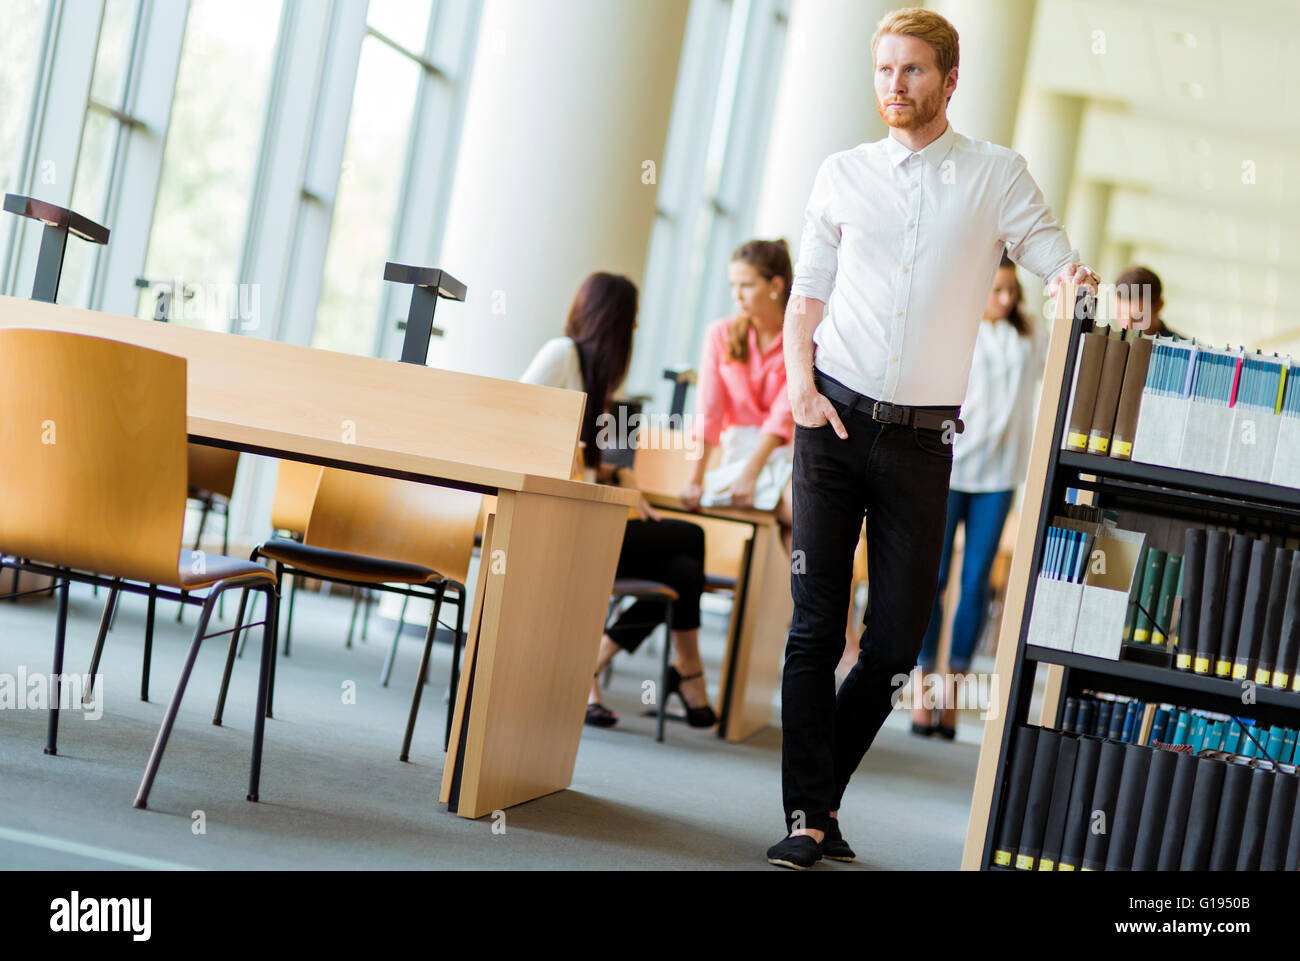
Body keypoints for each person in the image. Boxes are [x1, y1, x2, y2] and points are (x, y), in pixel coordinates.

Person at [766, 7, 1098, 870]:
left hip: (922, 444)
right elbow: (807, 295)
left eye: (912, 71)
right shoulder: (841, 173)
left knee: (895, 644)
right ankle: (806, 814)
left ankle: (820, 796)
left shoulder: (996, 174)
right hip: (832, 422)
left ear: (951, 80)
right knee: (815, 627)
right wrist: (800, 387)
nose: (894, 87)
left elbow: (1052, 258)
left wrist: (1073, 282)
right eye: (883, 70)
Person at [520, 272, 716, 730]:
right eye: (632, 320)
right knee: (690, 535)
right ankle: (687, 673)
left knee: (684, 572)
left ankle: (591, 664)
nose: (635, 330)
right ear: (613, 319)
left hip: (592, 517)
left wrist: (626, 481)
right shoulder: (561, 354)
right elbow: (519, 418)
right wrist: (591, 462)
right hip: (559, 517)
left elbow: (619, 454)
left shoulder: (612, 379)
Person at [911, 251, 1045, 741]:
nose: (1007, 299)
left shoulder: (1030, 336)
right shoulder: (956, 328)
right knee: (934, 580)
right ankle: (923, 694)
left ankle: (951, 699)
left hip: (999, 480)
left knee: (975, 587)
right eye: (997, 291)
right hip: (948, 472)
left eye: (1012, 291)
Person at [680, 239, 796, 553]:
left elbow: (782, 419)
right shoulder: (720, 334)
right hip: (739, 454)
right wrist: (695, 479)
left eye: (746, 285)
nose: (737, 295)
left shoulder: (800, 339)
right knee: (800, 521)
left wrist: (750, 475)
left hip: (786, 454)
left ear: (775, 285)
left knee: (806, 525)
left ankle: (824, 600)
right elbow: (709, 412)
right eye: (734, 284)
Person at [1114, 265, 1180, 338]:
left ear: (1159, 306)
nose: (1127, 326)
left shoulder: (1186, 349)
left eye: (1138, 318)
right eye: (1121, 315)